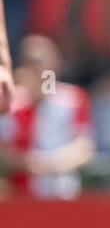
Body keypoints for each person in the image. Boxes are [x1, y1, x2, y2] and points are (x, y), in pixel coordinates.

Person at [0, 35, 93, 199]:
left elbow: (84, 148)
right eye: (30, 63)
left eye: (41, 63)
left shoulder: (73, 99)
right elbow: (3, 153)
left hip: (63, 195)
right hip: (22, 198)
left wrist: (49, 164)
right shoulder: (10, 104)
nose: (38, 71)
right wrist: (29, 163)